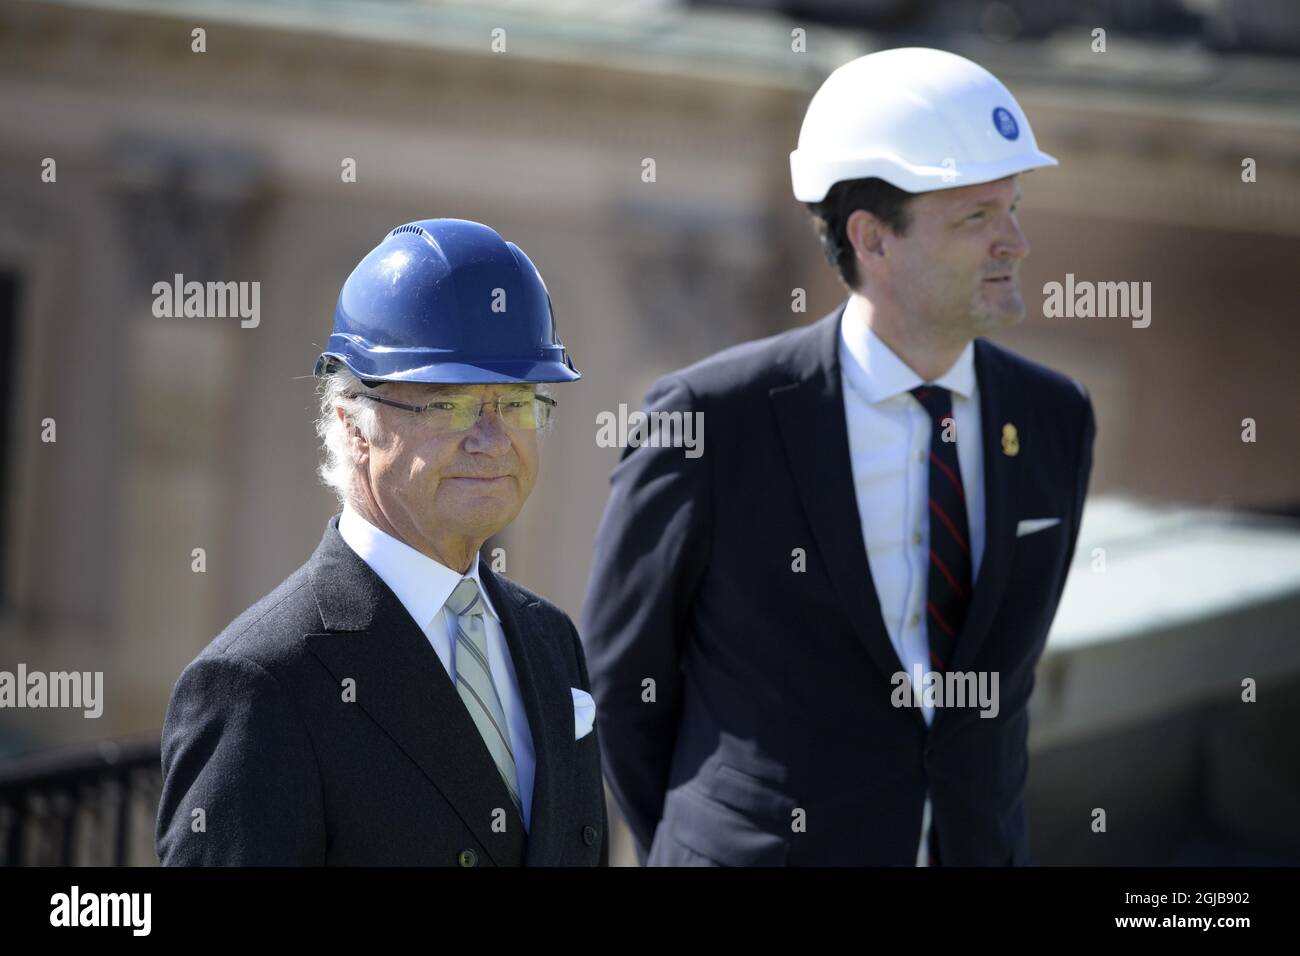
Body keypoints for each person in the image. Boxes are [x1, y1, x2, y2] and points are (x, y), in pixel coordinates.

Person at [581, 48, 1096, 866]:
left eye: (1014, 207)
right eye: (976, 218)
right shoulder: (712, 419)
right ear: (872, 239)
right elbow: (621, 685)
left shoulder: (1055, 417)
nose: (1017, 243)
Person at [157, 218, 607, 865]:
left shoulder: (551, 642)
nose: (491, 438)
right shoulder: (258, 684)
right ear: (353, 426)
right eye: (449, 403)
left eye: (515, 403)